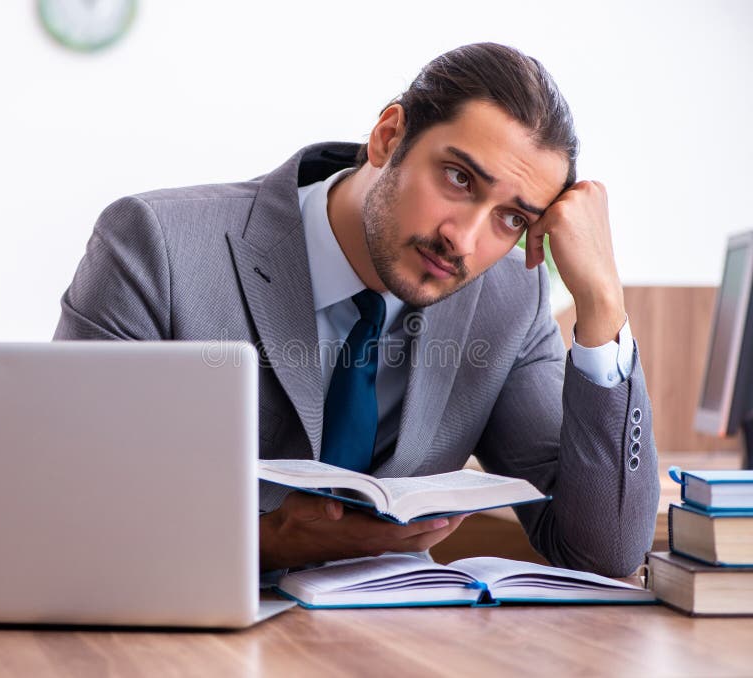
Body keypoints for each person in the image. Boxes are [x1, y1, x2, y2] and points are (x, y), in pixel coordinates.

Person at [54, 42, 659, 577]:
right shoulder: (156, 245)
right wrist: (268, 542)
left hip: (388, 646)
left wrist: (602, 304)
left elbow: (602, 551)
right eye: (457, 178)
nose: (465, 240)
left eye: (512, 218)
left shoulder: (507, 300)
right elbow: (69, 507)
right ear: (388, 137)